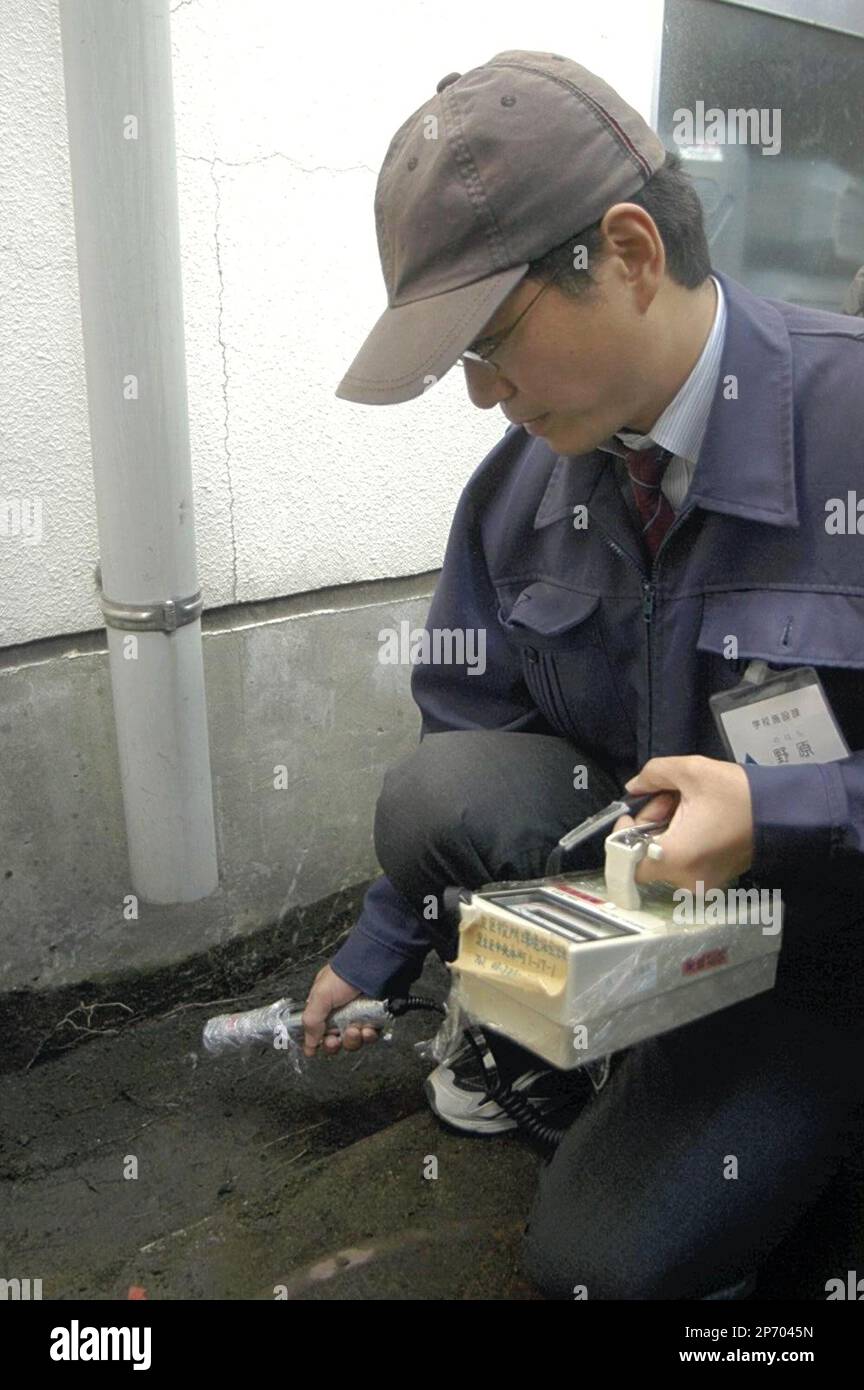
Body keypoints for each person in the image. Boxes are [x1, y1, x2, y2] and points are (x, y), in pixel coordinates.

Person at [302, 50, 864, 1299]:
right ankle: (602, 1051)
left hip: (833, 943)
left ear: (627, 252)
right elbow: (475, 728)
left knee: (600, 1271)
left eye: (495, 344)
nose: (482, 397)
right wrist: (381, 951)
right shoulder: (522, 492)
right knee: (433, 793)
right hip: (668, 911)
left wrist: (785, 813)